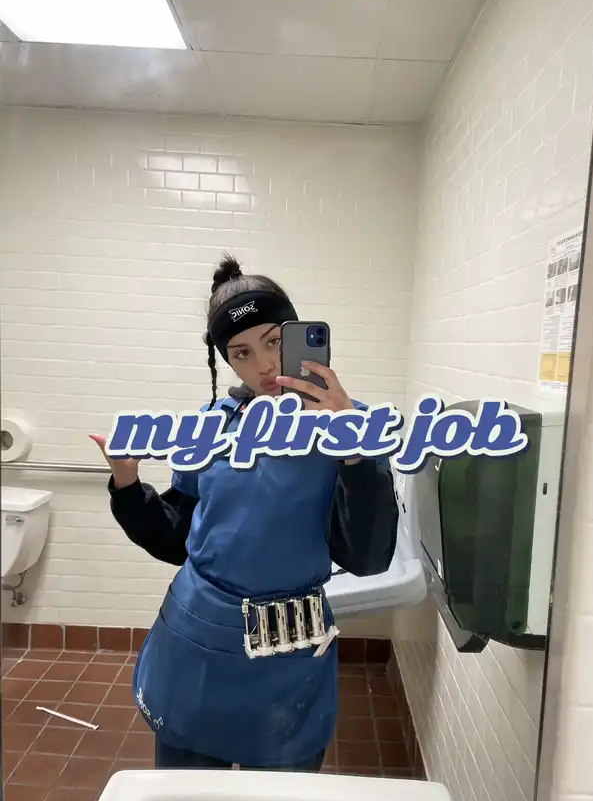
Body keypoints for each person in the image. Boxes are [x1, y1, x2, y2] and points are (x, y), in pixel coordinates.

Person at [90, 254, 399, 772]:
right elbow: (175, 538)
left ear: (297, 336)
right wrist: (126, 481)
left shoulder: (352, 424)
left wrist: (352, 450)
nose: (265, 365)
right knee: (189, 799)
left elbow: (368, 557)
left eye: (275, 342)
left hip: (289, 653)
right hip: (196, 643)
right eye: (242, 352)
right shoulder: (210, 426)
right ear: (226, 362)